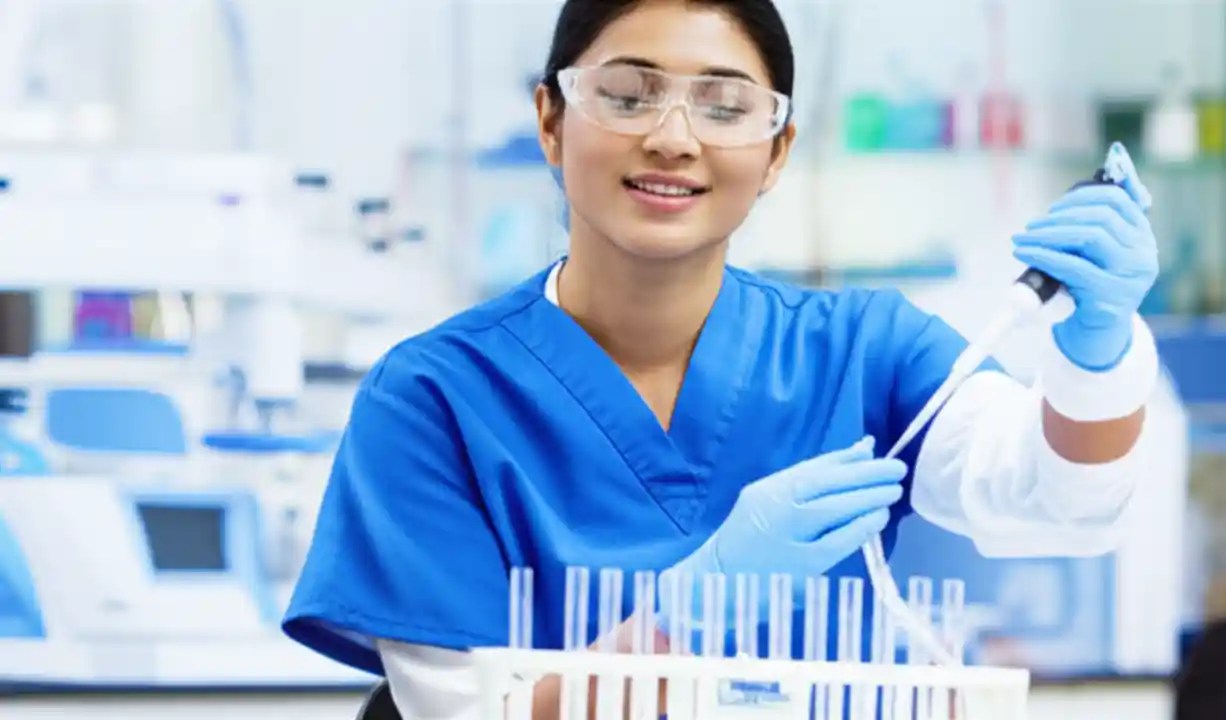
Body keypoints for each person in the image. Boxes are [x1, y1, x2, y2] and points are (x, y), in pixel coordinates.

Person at [282, 1, 1162, 717]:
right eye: (627, 96)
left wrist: (1097, 348)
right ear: (550, 121)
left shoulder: (864, 352)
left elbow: (1063, 500)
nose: (674, 137)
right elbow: (463, 718)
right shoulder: (433, 399)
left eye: (725, 106)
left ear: (776, 152)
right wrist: (685, 618)